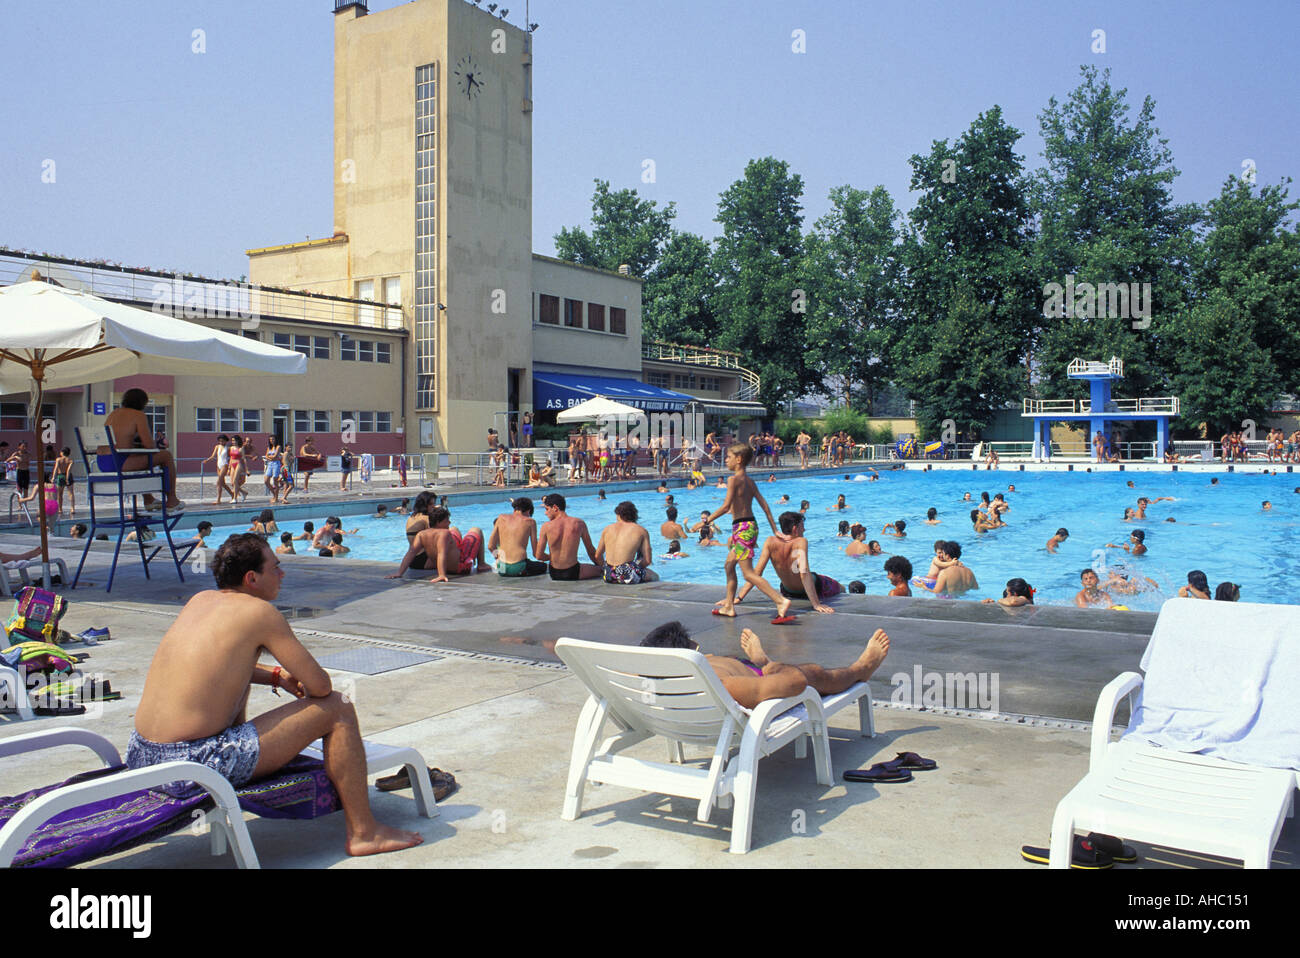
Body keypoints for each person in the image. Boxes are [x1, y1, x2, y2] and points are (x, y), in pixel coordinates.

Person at [127, 534, 422, 856]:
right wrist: (299, 683)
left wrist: (276, 676)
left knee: (248, 662)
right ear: (251, 578)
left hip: (141, 757)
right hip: (192, 764)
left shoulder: (200, 601)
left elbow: (212, 668)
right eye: (276, 568)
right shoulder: (259, 613)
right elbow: (320, 687)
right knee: (338, 707)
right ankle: (365, 832)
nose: (282, 574)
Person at [639, 621, 891, 711]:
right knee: (813, 672)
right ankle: (861, 669)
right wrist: (773, 668)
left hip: (740, 674)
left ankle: (761, 661)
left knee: (727, 660)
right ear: (689, 654)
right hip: (759, 683)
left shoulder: (651, 681)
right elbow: (795, 683)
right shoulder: (721, 685)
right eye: (696, 647)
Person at [707, 443, 790, 620]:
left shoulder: (733, 480)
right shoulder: (750, 482)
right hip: (750, 526)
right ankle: (729, 606)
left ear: (738, 460)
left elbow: (725, 507)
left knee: (748, 573)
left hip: (742, 528)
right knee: (729, 565)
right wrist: (774, 529)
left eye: (728, 457)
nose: (726, 460)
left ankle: (780, 600)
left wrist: (706, 521)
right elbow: (765, 506)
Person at [737, 512, 839, 614]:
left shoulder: (770, 541)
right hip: (816, 587)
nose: (804, 530)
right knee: (838, 586)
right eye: (802, 526)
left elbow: (756, 573)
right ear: (795, 528)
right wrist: (816, 604)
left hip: (787, 591)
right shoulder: (801, 541)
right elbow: (804, 573)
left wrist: (739, 598)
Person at [102, 391, 185, 510]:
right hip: (120, 462)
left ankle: (148, 498)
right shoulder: (138, 415)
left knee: (141, 459)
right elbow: (149, 445)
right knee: (166, 455)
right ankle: (172, 499)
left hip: (103, 462)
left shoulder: (113, 414)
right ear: (142, 403)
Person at [386, 506, 486, 583]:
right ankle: (481, 564)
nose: (449, 522)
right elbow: (441, 553)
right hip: (461, 567)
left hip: (448, 564)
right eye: (447, 521)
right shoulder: (444, 533)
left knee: (454, 529)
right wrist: (441, 575)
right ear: (438, 522)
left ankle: (459, 553)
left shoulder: (421, 534)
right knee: (476, 530)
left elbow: (411, 553)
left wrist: (399, 573)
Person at [537, 493, 603, 580]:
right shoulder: (579, 523)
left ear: (555, 507)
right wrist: (602, 565)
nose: (545, 513)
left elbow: (539, 556)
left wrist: (552, 557)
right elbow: (590, 551)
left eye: (546, 509)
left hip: (554, 573)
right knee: (601, 570)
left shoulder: (546, 526)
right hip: (573, 572)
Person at [594, 501, 659, 584]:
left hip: (608, 576)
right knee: (655, 576)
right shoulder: (641, 530)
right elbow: (647, 560)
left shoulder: (607, 529)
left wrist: (607, 569)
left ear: (618, 514)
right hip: (628, 575)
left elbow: (597, 556)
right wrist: (636, 568)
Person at [488, 497, 548, 577]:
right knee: (545, 566)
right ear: (528, 511)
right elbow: (536, 554)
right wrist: (551, 557)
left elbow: (490, 546)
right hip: (519, 568)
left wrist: (498, 557)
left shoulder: (501, 518)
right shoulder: (530, 522)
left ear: (514, 509)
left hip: (501, 569)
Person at [52, 446, 76, 516]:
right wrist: (67, 478)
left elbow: (56, 468)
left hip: (61, 476)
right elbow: (68, 470)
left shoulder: (58, 459)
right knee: (71, 493)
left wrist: (53, 477)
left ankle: (60, 509)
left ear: (62, 452)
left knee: (60, 494)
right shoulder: (70, 460)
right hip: (68, 476)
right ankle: (72, 508)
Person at [263, 436, 284, 503]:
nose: (272, 441)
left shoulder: (278, 447)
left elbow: (275, 456)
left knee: (275, 481)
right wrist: (270, 458)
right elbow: (266, 456)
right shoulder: (269, 448)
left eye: (273, 439)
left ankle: (276, 498)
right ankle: (274, 494)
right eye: (270, 439)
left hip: (276, 464)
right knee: (266, 481)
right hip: (270, 464)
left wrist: (270, 457)